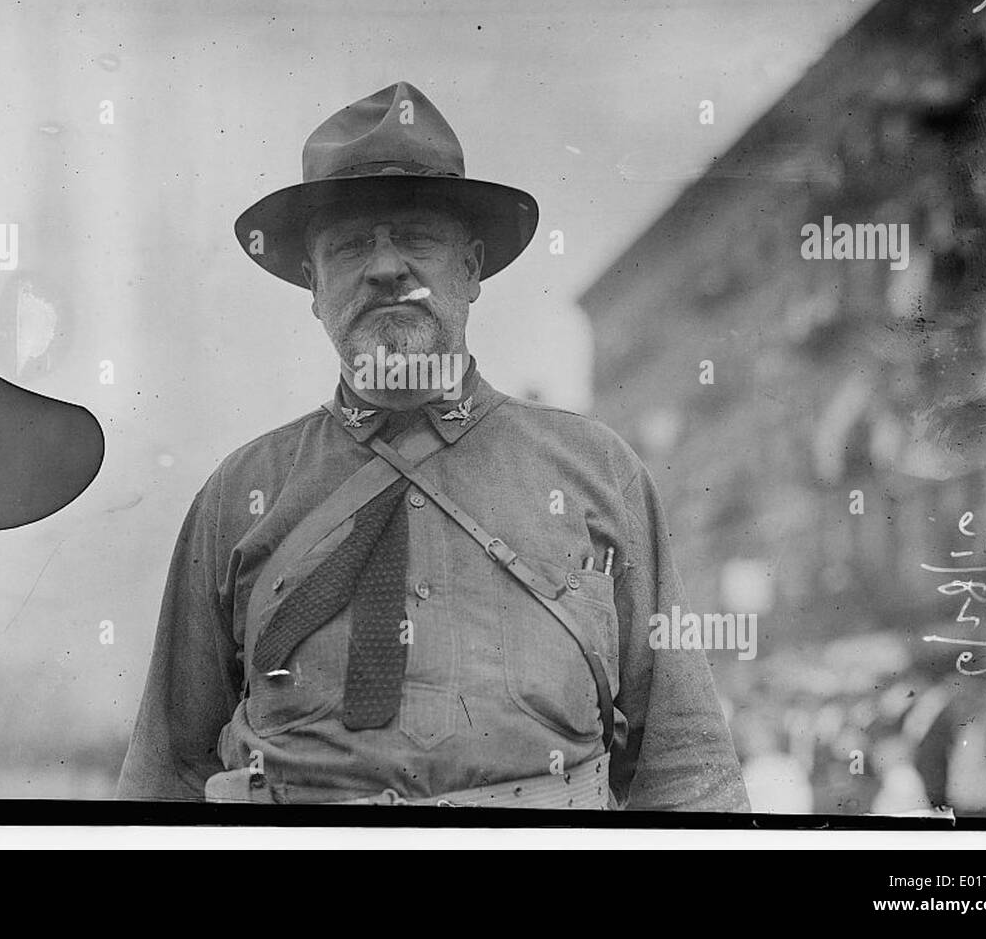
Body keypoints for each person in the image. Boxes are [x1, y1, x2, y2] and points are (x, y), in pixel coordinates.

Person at [118, 81, 749, 810]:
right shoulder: (240, 493)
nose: (387, 268)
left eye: (416, 237)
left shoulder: (597, 473)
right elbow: (167, 777)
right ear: (313, 284)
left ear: (471, 269)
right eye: (353, 245)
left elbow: (686, 770)